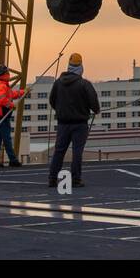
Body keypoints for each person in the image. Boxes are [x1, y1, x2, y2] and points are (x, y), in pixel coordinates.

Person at [47, 52, 99, 189]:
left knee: (59, 151)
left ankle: (52, 178)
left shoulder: (58, 83)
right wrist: (95, 110)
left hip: (63, 123)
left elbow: (52, 100)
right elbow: (93, 102)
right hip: (80, 123)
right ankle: (76, 179)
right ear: (80, 67)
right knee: (77, 152)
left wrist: (60, 110)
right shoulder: (84, 84)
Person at [0, 64, 25, 169]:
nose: (9, 74)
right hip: (1, 117)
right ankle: (13, 160)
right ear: (5, 74)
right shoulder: (1, 86)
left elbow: (11, 94)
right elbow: (2, 100)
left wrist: (22, 92)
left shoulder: (0, 84)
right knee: (6, 139)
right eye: (8, 73)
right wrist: (12, 105)